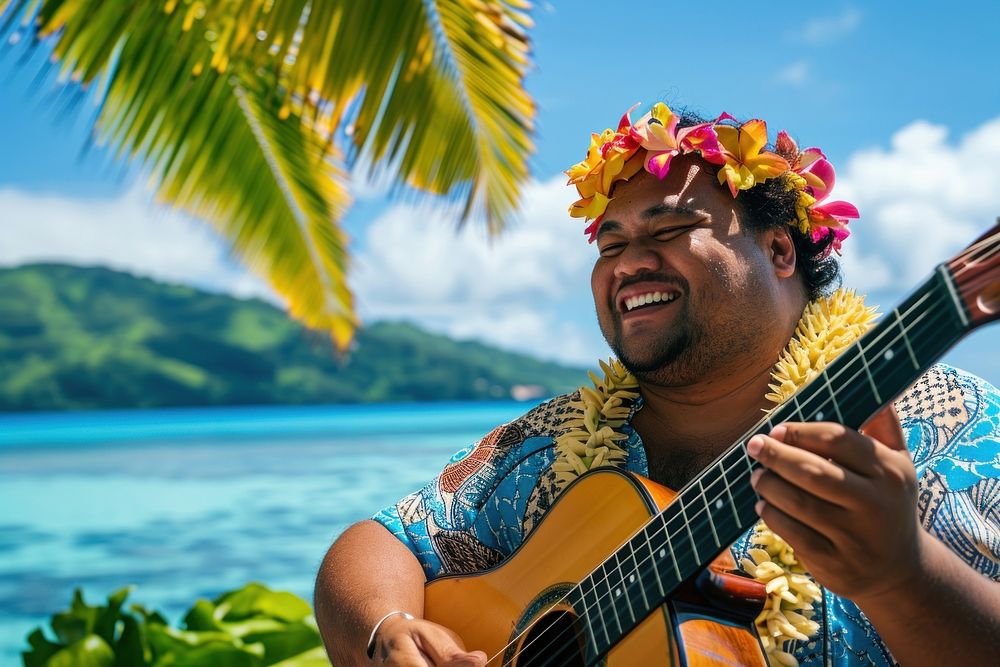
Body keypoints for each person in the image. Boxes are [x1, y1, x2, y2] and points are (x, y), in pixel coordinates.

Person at [314, 103, 1000, 666]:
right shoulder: (544, 446)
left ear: (781, 249)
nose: (629, 264)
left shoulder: (952, 425)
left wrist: (902, 576)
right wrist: (388, 629)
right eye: (609, 245)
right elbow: (382, 541)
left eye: (668, 230)